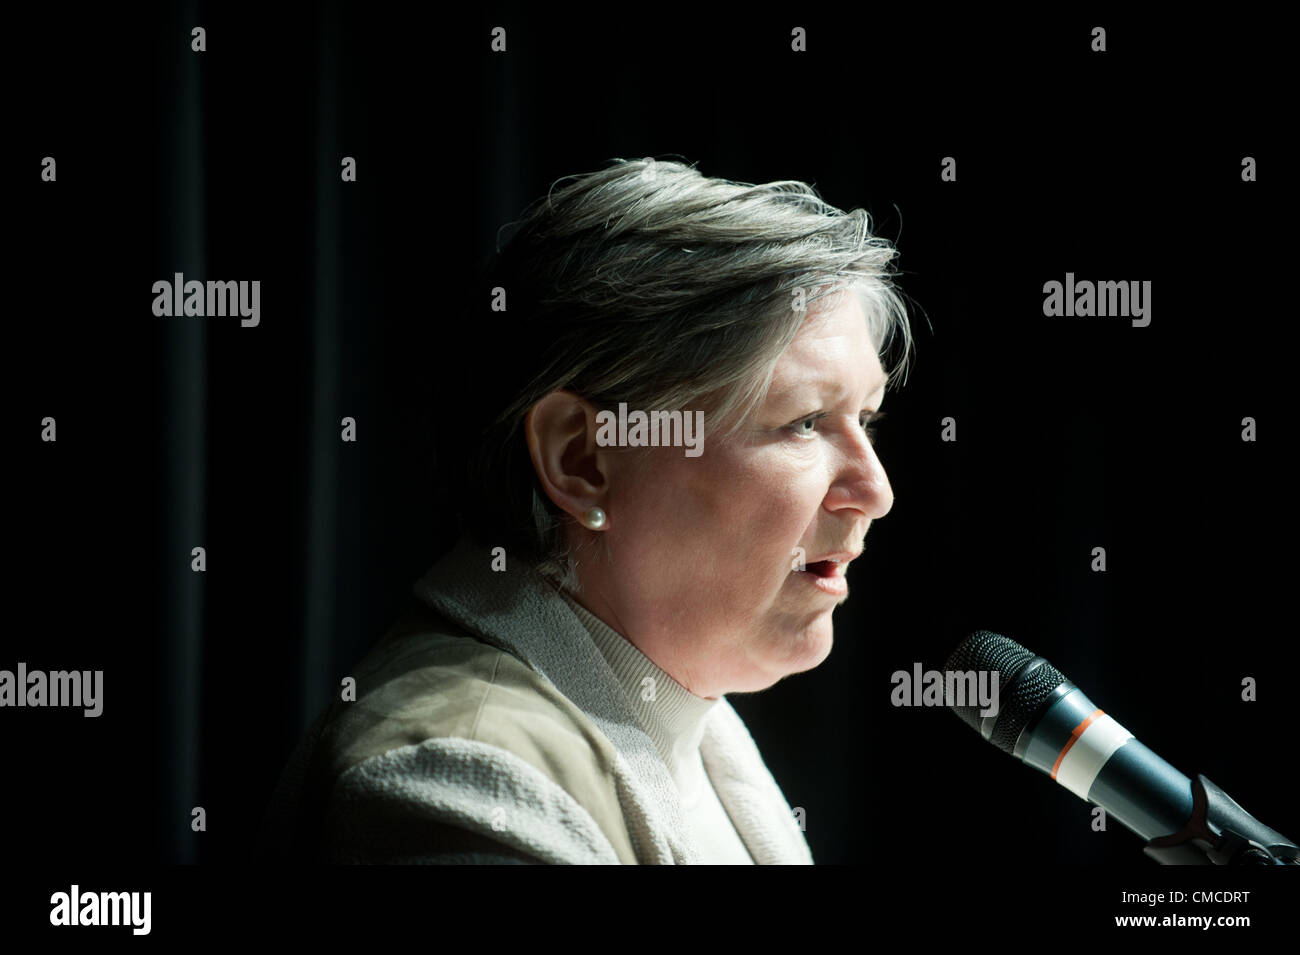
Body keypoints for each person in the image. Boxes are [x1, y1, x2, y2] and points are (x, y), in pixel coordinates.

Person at [257, 158, 913, 863]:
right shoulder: (460, 780)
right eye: (805, 421)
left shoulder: (681, 715)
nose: (875, 490)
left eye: (866, 416)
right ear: (583, 460)